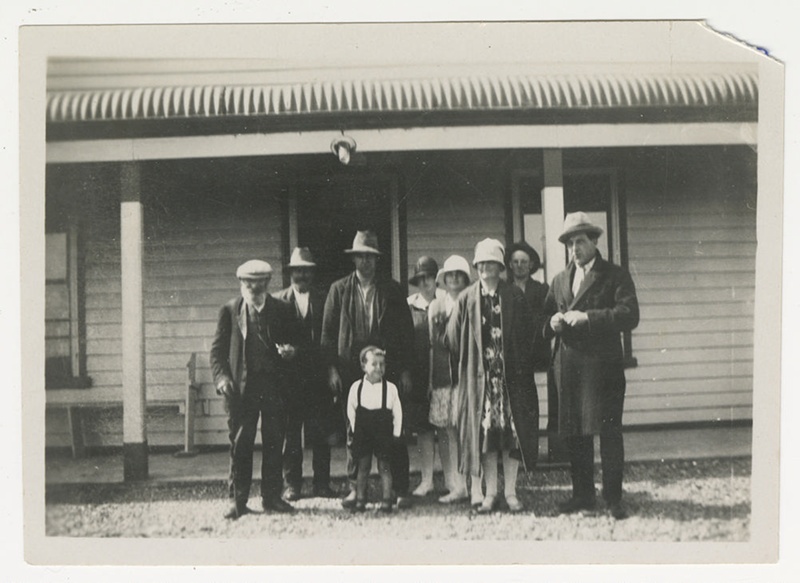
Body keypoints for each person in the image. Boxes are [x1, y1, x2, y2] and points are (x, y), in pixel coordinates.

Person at [542, 212, 640, 520]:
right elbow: (542, 321)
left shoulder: (614, 275)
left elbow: (629, 314)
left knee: (609, 434)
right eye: (570, 243)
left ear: (595, 241)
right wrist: (552, 323)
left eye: (580, 241)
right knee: (576, 434)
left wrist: (589, 317)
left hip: (603, 368)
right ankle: (582, 495)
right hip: (569, 368)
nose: (575, 248)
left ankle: (613, 499)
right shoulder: (559, 280)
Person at [320, 230, 416, 509]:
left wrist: (407, 370)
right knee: (355, 431)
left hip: (389, 370)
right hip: (352, 372)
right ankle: (355, 489)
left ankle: (399, 489)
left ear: (377, 259)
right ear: (354, 259)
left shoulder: (393, 290)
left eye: (370, 257)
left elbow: (407, 333)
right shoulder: (339, 290)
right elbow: (327, 334)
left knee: (393, 430)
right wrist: (332, 371)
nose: (365, 262)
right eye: (360, 256)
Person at [448, 238, 540, 514]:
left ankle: (510, 492)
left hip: (511, 382)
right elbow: (451, 339)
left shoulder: (513, 296)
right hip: (481, 384)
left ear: (501, 267)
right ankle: (490, 493)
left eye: (492, 263)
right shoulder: (466, 299)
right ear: (476, 267)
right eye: (482, 263)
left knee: (512, 438)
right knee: (486, 438)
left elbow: (528, 338)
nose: (486, 267)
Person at [210, 259, 299, 519]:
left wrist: (292, 352)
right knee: (241, 444)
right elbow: (216, 353)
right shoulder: (230, 310)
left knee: (274, 442)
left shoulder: (282, 310)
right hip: (242, 390)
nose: (252, 287)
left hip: (273, 386)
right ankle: (237, 500)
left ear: (267, 283)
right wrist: (222, 379)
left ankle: (272, 498)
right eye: (247, 283)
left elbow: (297, 342)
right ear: (241, 283)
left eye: (258, 283)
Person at [272, 247, 337, 501]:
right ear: (290, 273)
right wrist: (282, 351)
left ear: (313, 274)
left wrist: (331, 369)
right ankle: (292, 485)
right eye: (297, 271)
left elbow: (330, 339)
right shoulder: (278, 301)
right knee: (291, 434)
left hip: (318, 377)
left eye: (306, 271)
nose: (302, 276)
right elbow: (273, 339)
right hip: (290, 380)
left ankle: (322, 483)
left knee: (321, 432)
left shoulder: (325, 299)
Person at [428, 255, 471, 504]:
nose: (454, 279)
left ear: (465, 278)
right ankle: (458, 485)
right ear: (443, 279)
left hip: (467, 377)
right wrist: (432, 381)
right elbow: (434, 345)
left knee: (469, 433)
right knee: (451, 433)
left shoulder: (472, 301)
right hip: (445, 376)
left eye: (459, 274)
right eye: (450, 275)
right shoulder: (437, 306)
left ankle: (475, 485)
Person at [346, 346, 403, 513]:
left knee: (384, 467)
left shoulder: (390, 388)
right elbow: (351, 410)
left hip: (383, 432)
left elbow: (397, 412)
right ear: (364, 366)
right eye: (374, 364)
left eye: (382, 364)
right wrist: (356, 431)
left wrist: (396, 433)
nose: (379, 368)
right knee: (363, 467)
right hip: (363, 432)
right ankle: (360, 499)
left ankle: (386, 500)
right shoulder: (356, 387)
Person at [406, 256, 445, 497]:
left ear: (436, 279)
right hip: (419, 372)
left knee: (447, 428)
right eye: (421, 279)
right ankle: (427, 479)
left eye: (429, 278)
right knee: (424, 429)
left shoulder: (447, 301)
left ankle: (454, 480)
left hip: (443, 371)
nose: (425, 283)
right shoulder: (410, 305)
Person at [505, 241, 550, 371]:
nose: (519, 265)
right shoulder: (503, 290)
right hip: (512, 357)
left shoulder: (541, 290)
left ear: (530, 264)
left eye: (524, 262)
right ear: (510, 265)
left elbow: (545, 321)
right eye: (515, 262)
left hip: (536, 354)